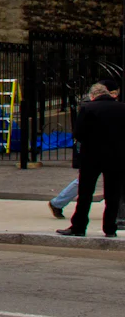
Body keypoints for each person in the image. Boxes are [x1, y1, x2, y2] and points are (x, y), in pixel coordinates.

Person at [58, 80, 125, 237]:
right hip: (116, 157)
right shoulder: (122, 108)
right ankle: (110, 227)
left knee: (86, 193)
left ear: (93, 95)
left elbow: (79, 133)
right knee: (112, 194)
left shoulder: (88, 108)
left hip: (92, 157)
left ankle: (79, 226)